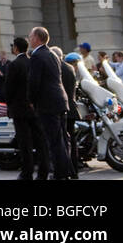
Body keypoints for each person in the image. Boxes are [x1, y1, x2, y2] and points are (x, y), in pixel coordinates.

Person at [27, 26, 71, 180]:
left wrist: (31, 101)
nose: (29, 39)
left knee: (54, 142)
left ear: (37, 38)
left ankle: (59, 174)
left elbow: (34, 82)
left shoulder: (37, 56)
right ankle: (65, 172)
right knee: (61, 141)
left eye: (30, 36)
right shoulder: (52, 54)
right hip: (59, 100)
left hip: (47, 103)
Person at [3, 37, 35, 179]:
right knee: (39, 140)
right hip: (34, 107)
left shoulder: (14, 64)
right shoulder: (33, 62)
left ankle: (27, 171)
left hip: (19, 109)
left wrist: (8, 103)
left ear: (16, 48)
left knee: (24, 141)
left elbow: (8, 89)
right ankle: (43, 168)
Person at [59, 50, 83, 177]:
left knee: (64, 140)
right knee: (71, 141)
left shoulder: (60, 69)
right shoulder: (69, 69)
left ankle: (69, 169)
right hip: (72, 108)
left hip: (63, 108)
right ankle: (74, 168)